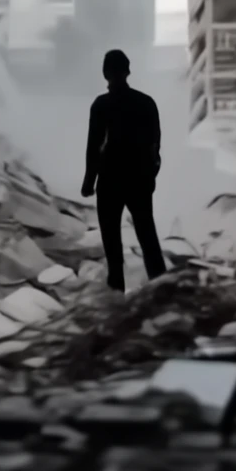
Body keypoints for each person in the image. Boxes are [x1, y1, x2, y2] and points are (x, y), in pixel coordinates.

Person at [81, 49, 167, 291]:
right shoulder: (145, 102)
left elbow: (94, 146)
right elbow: (155, 145)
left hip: (110, 181)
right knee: (147, 237)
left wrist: (89, 182)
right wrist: (150, 176)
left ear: (105, 73)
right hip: (138, 180)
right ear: (128, 71)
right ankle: (162, 289)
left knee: (112, 243)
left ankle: (116, 293)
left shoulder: (101, 105)